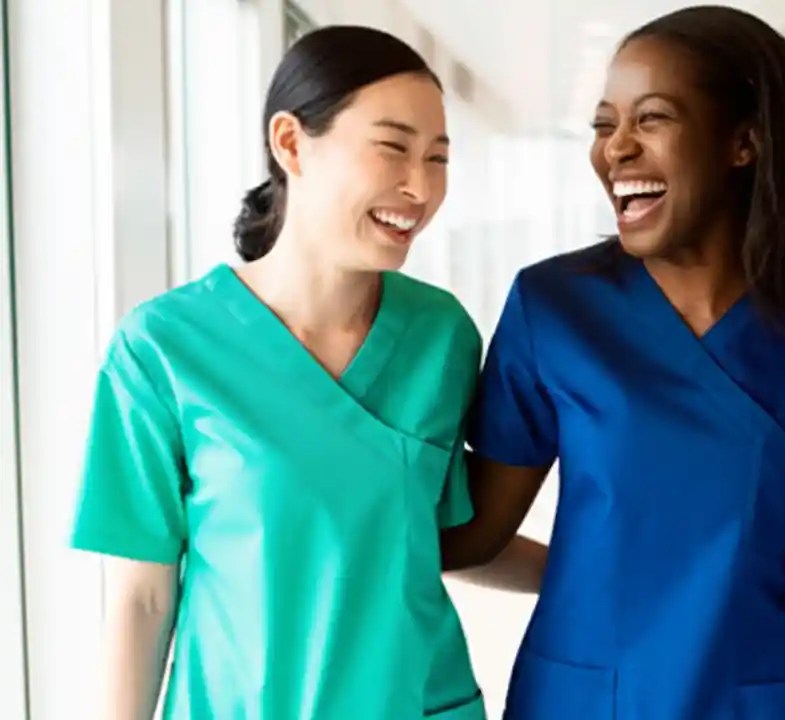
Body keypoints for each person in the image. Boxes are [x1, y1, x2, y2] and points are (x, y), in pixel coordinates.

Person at [440, 6, 785, 719]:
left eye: (651, 119)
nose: (614, 148)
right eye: (603, 124)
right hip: (579, 698)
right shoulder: (554, 307)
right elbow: (472, 533)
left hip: (750, 700)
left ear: (745, 142)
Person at [69, 26, 486, 720]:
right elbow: (142, 596)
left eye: (439, 158)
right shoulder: (164, 348)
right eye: (393, 148)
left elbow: (438, 535)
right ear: (291, 143)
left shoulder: (442, 337)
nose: (420, 186)